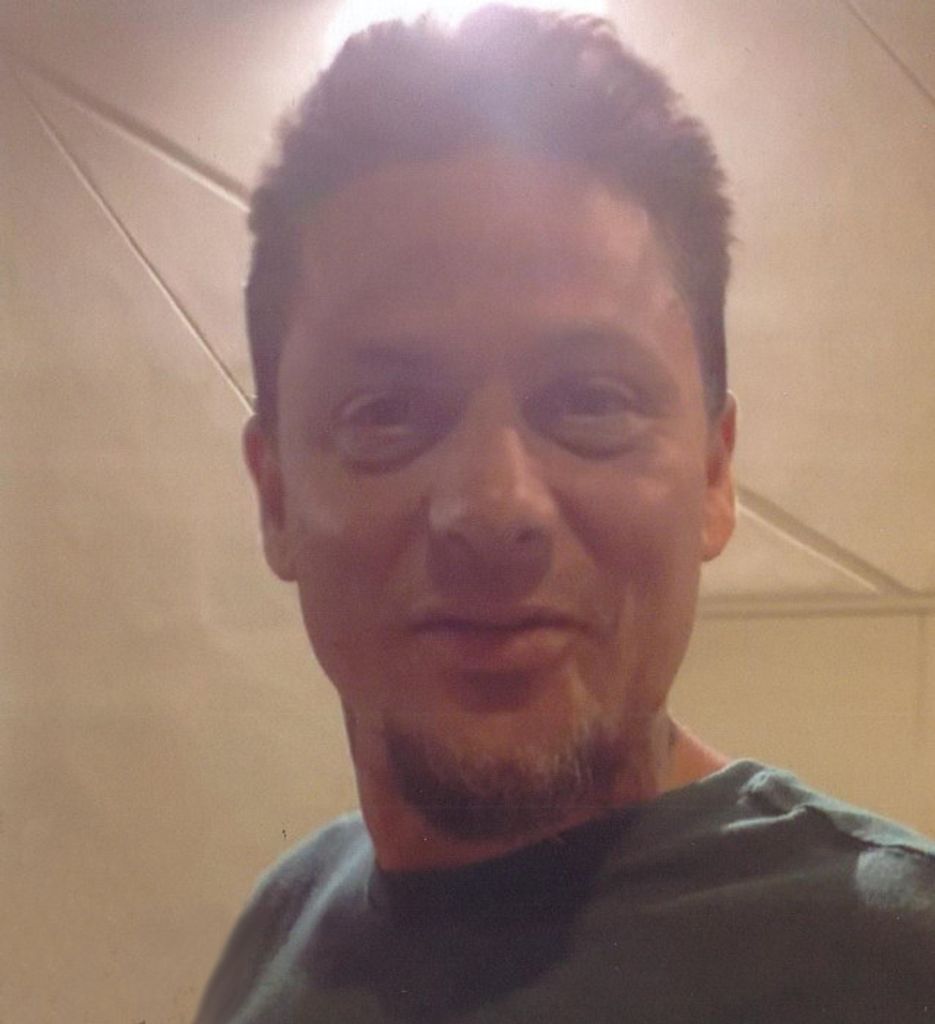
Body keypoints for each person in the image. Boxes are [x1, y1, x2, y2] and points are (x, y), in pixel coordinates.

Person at [194, 6, 935, 1021]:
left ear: (713, 475)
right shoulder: (280, 927)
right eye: (386, 412)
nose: (492, 507)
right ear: (276, 493)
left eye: (591, 400)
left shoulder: (895, 969)